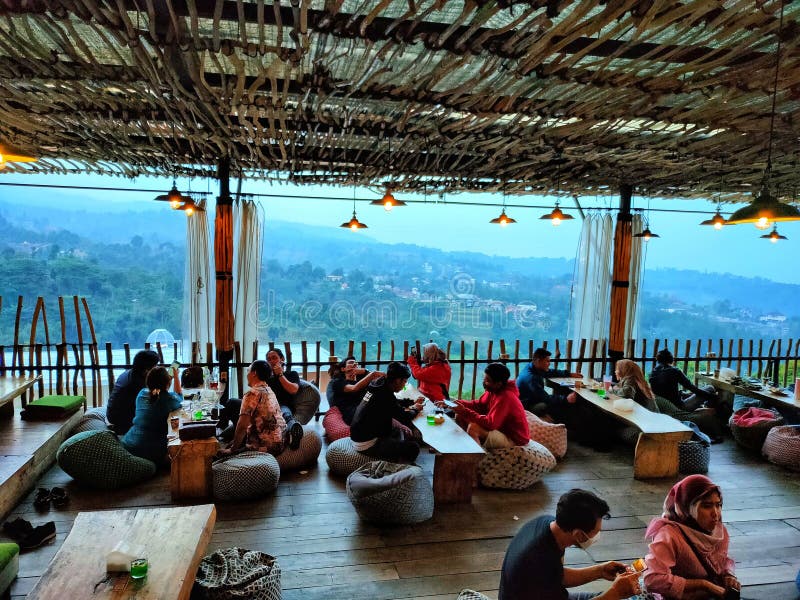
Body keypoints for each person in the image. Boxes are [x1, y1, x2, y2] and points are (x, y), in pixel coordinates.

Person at [499, 488, 641, 600]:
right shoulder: (537, 558)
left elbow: (556, 575)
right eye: (596, 532)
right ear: (579, 534)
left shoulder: (548, 525)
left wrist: (600, 571)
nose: (598, 536)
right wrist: (615, 593)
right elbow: (545, 572)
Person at [644, 475, 740, 600]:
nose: (715, 513)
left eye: (718, 505)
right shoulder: (669, 535)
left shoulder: (718, 531)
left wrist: (728, 575)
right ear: (687, 507)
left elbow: (721, 559)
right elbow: (652, 579)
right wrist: (702, 584)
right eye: (707, 506)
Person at [350, 361, 422, 463]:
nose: (404, 385)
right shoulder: (385, 394)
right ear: (397, 380)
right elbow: (404, 416)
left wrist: (411, 402)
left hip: (357, 435)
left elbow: (392, 404)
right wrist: (416, 409)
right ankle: (397, 467)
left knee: (399, 431)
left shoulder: (378, 384)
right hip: (367, 444)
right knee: (413, 447)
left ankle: (393, 454)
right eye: (404, 381)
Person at [451, 362, 530, 449]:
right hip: (501, 429)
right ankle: (463, 447)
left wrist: (464, 411)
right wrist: (457, 403)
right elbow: (479, 404)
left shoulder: (506, 397)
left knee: (473, 428)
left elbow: (490, 424)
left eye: (488, 380)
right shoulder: (493, 390)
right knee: (460, 415)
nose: (484, 382)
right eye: (484, 379)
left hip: (513, 439)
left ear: (498, 384)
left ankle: (474, 458)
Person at [120, 366, 182, 465]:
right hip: (151, 449)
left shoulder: (141, 393)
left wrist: (167, 381)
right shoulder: (170, 399)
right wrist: (176, 375)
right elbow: (179, 397)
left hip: (129, 444)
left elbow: (156, 393)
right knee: (177, 458)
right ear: (168, 383)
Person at [223, 360, 287, 456]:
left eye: (248, 371)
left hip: (265, 447)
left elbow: (242, 426)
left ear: (254, 373)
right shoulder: (269, 390)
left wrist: (232, 449)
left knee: (220, 454)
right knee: (232, 442)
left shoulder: (252, 393)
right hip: (281, 443)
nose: (247, 375)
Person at [516, 347, 582, 417]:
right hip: (524, 407)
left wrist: (569, 374)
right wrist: (565, 399)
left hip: (531, 399)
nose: (549, 364)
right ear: (538, 361)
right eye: (547, 361)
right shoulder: (531, 378)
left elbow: (550, 372)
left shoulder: (532, 367)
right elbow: (545, 398)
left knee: (556, 402)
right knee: (544, 406)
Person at [106, 349, 160, 435]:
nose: (157, 369)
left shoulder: (129, 373)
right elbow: (154, 401)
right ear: (146, 370)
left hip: (112, 415)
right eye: (155, 366)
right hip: (121, 422)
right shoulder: (136, 384)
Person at [650, 349, 719, 411]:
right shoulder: (674, 371)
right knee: (710, 388)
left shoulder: (653, 373)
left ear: (658, 360)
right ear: (671, 359)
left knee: (692, 393)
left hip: (662, 408)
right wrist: (712, 397)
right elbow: (693, 389)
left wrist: (682, 393)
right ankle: (712, 411)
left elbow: (665, 391)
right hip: (679, 408)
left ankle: (707, 407)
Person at [265, 348, 304, 450]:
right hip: (265, 406)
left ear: (282, 359)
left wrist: (280, 375)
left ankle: (294, 431)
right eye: (268, 359)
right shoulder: (266, 378)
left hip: (282, 405)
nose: (271, 361)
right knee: (232, 402)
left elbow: (293, 390)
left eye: (274, 358)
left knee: (285, 413)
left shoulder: (292, 374)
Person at [328, 356, 384, 425]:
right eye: (351, 363)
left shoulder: (361, 380)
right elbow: (354, 388)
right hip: (351, 415)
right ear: (343, 369)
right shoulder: (337, 382)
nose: (355, 364)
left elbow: (379, 380)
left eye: (356, 363)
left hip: (363, 411)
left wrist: (365, 371)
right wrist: (372, 374)